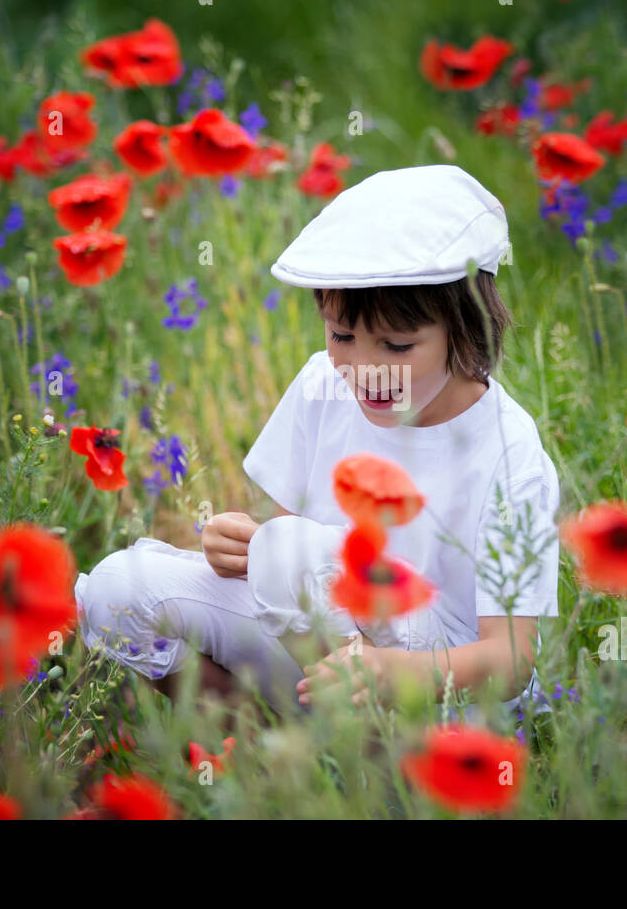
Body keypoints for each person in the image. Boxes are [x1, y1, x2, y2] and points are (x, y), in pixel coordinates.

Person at [74, 164, 561, 723]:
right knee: (116, 592)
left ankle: (385, 768)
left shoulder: (506, 450)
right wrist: (243, 548)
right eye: (341, 335)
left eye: (397, 346)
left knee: (288, 552)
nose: (363, 369)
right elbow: (286, 562)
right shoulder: (321, 386)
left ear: (469, 325)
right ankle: (279, 750)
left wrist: (387, 671)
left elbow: (514, 657)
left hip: (445, 697)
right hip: (326, 664)